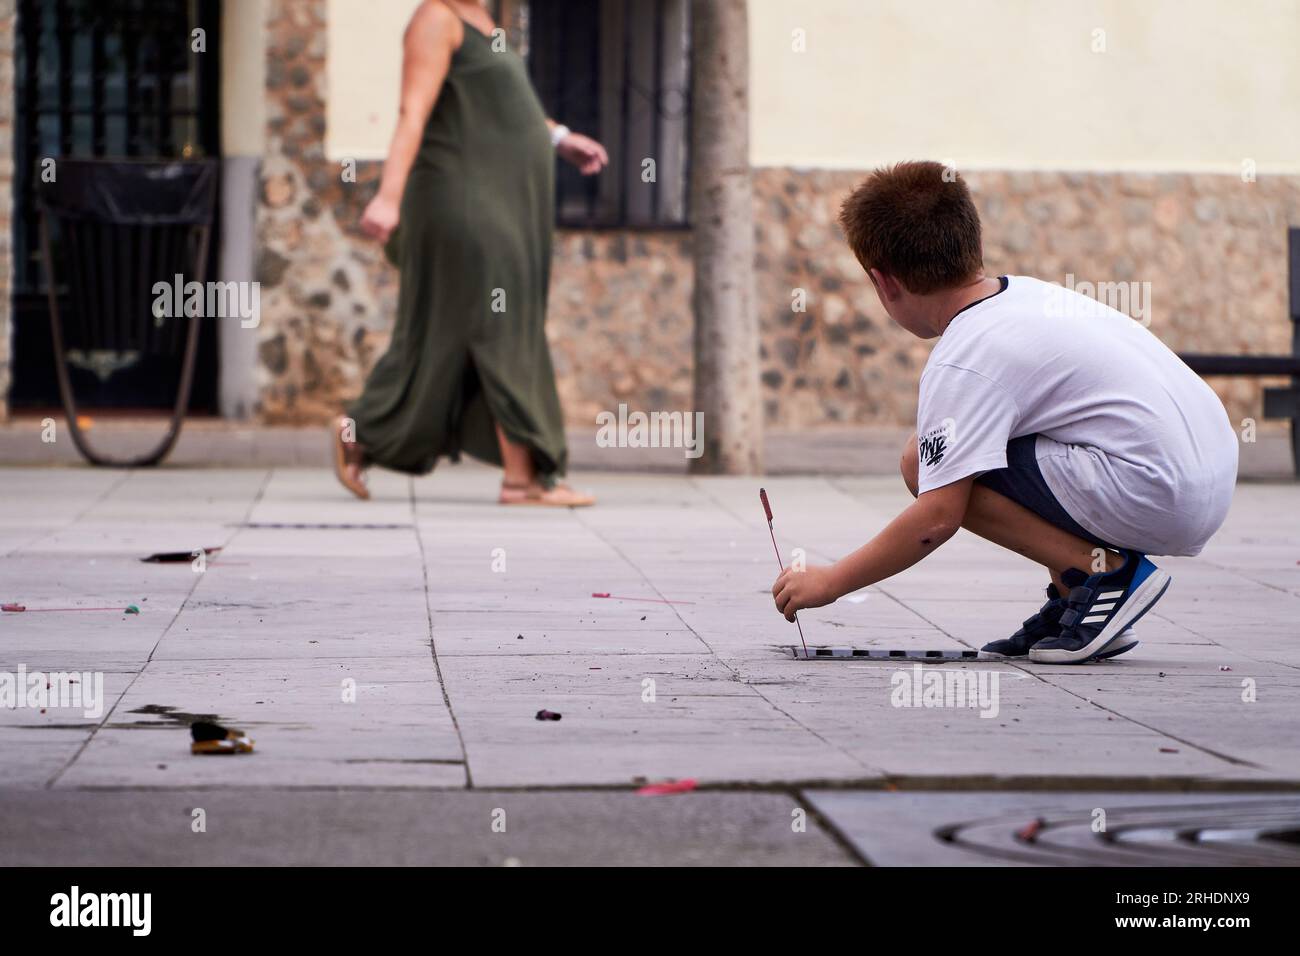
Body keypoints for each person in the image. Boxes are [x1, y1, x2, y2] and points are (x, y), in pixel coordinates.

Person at [771, 161, 1239, 664]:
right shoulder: (1030, 296)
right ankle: (1074, 594)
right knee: (961, 452)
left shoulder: (965, 355)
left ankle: (1102, 575)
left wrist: (830, 581)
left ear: (884, 283)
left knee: (923, 464)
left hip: (1157, 490)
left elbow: (936, 519)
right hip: (1204, 478)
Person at [332, 0, 607, 506]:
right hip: (461, 200)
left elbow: (504, 110)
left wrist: (560, 138)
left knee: (465, 329)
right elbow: (412, 112)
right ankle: (524, 479)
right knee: (500, 324)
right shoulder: (436, 19)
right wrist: (388, 197)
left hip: (503, 203)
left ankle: (363, 433)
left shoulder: (484, 24)